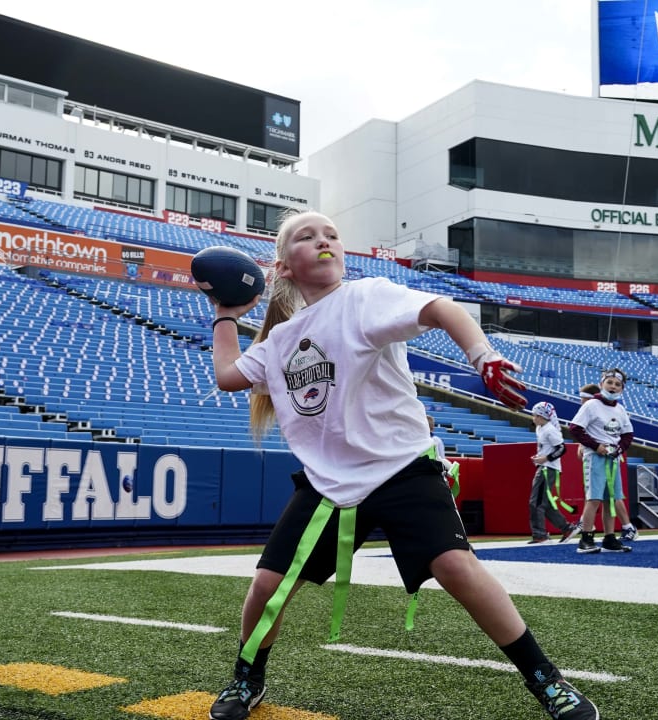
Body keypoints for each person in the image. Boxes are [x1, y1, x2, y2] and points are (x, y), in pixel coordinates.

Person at [206, 210, 598, 720]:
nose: (324, 241)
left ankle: (546, 679)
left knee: (456, 566)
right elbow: (228, 376)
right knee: (267, 584)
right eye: (307, 236)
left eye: (332, 235)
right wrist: (225, 313)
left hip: (401, 466)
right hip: (329, 482)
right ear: (283, 266)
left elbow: (441, 307)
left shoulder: (366, 296)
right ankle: (247, 678)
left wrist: (483, 356)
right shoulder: (280, 340)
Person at [569, 368, 636, 553]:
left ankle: (609, 538)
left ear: (622, 388)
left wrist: (619, 449)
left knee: (610, 499)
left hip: (612, 458)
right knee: (594, 498)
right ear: (601, 384)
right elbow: (575, 428)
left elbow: (628, 434)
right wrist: (596, 446)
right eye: (610, 382)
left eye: (617, 384)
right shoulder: (592, 405)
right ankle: (586, 538)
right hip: (595, 457)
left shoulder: (620, 409)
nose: (613, 387)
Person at [527, 401, 580, 544]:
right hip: (544, 467)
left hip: (548, 468)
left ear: (541, 416)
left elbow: (562, 448)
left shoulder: (550, 430)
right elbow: (547, 448)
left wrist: (545, 458)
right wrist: (539, 457)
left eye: (534, 415)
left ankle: (540, 535)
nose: (533, 417)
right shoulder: (540, 428)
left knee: (536, 502)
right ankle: (566, 528)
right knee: (545, 502)